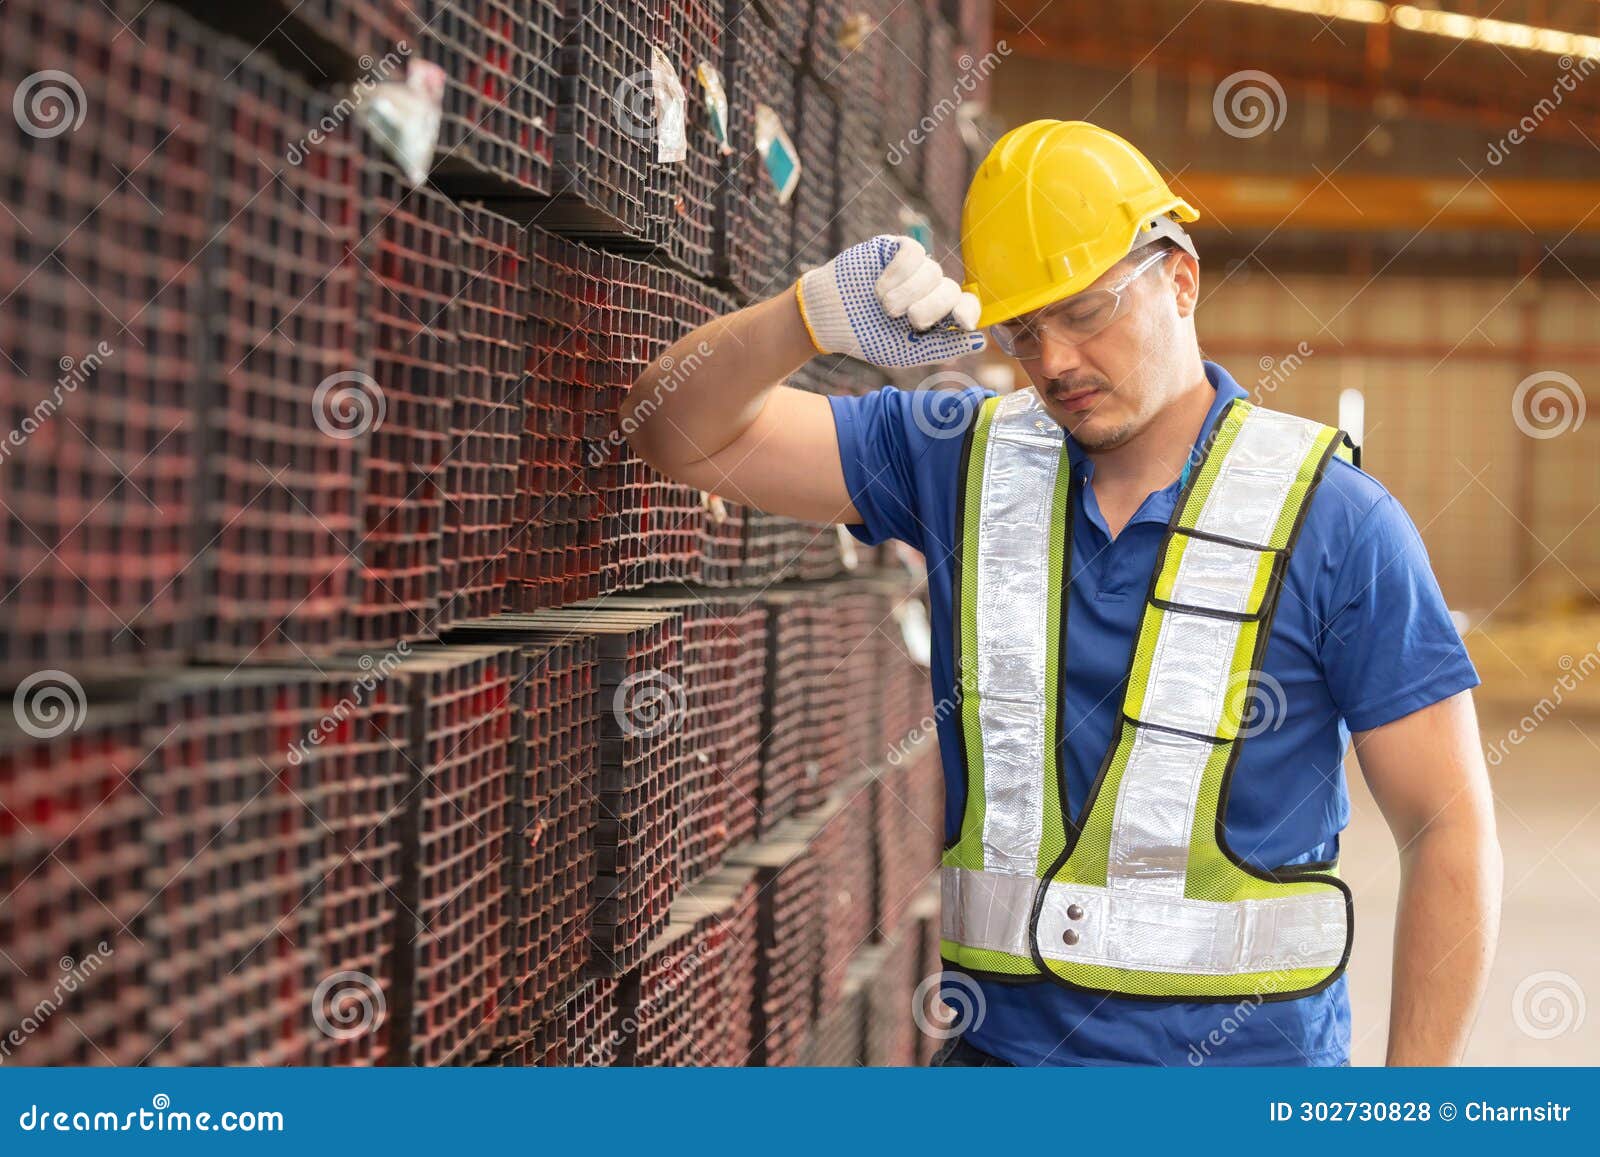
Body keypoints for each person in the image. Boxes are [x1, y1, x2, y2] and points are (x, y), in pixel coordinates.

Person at [624, 119, 1502, 1067]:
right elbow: (676, 433)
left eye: (1085, 312)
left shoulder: (1337, 523)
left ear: (1180, 277)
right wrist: (807, 318)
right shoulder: (956, 456)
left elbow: (1447, 828)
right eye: (1025, 329)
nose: (1055, 364)